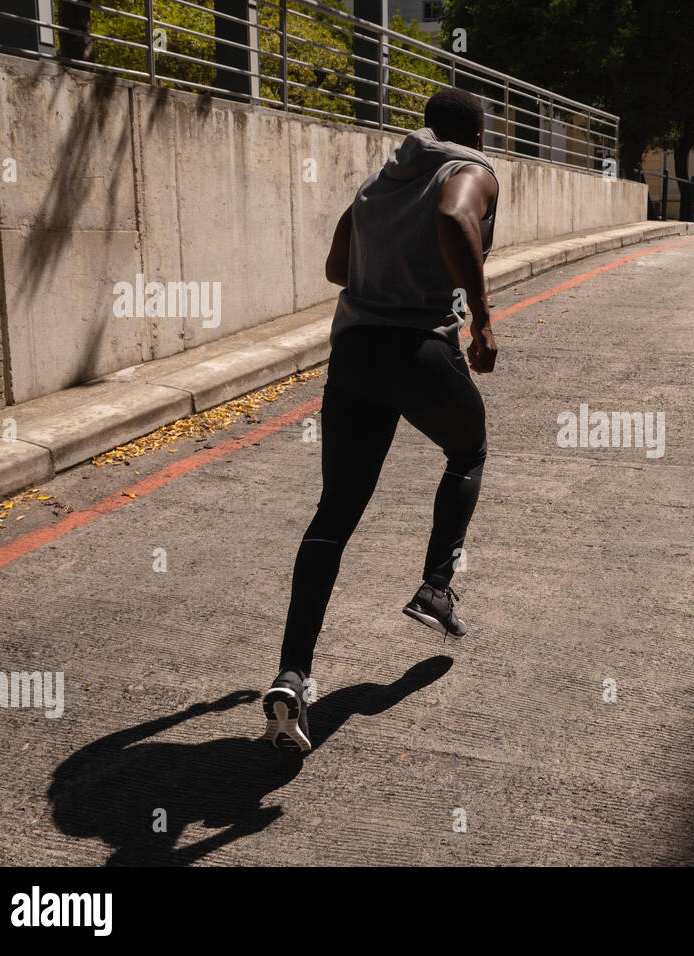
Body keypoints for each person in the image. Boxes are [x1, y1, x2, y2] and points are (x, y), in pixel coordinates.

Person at [262, 88, 499, 753]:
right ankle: (435, 588)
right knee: (469, 450)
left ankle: (292, 675)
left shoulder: (380, 179)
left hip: (355, 353)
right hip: (418, 350)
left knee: (335, 510)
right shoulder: (471, 171)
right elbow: (455, 220)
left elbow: (336, 266)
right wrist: (481, 321)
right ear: (477, 134)